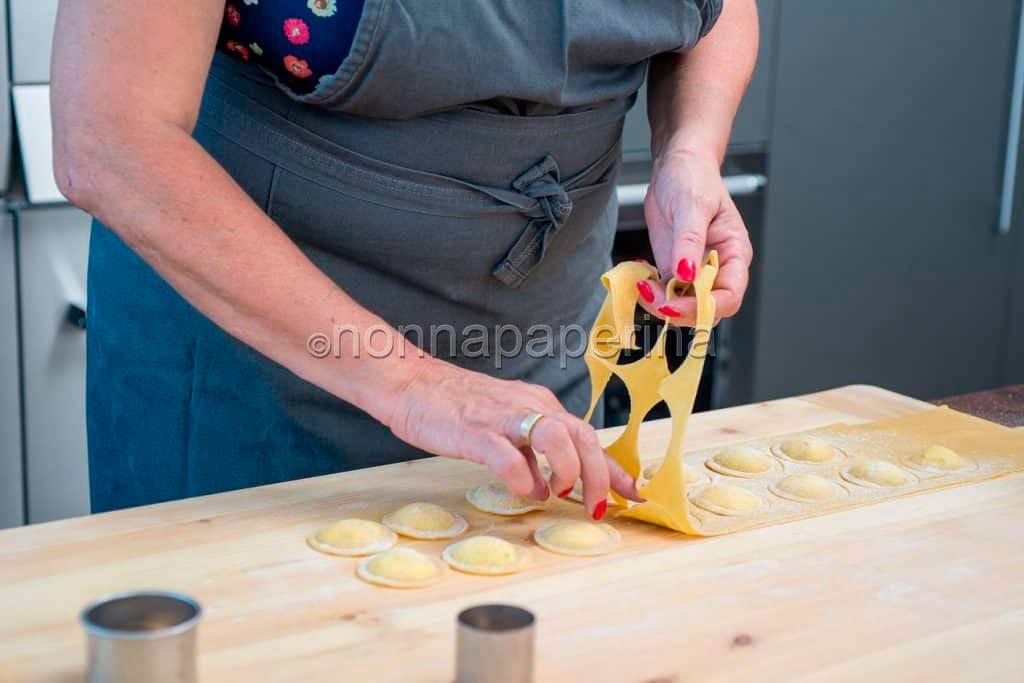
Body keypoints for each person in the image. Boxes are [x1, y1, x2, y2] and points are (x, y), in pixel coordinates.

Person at [51, 0, 757, 520]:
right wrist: (415, 385)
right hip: (255, 374)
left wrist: (688, 147)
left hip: (546, 351)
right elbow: (110, 138)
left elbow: (721, 10)